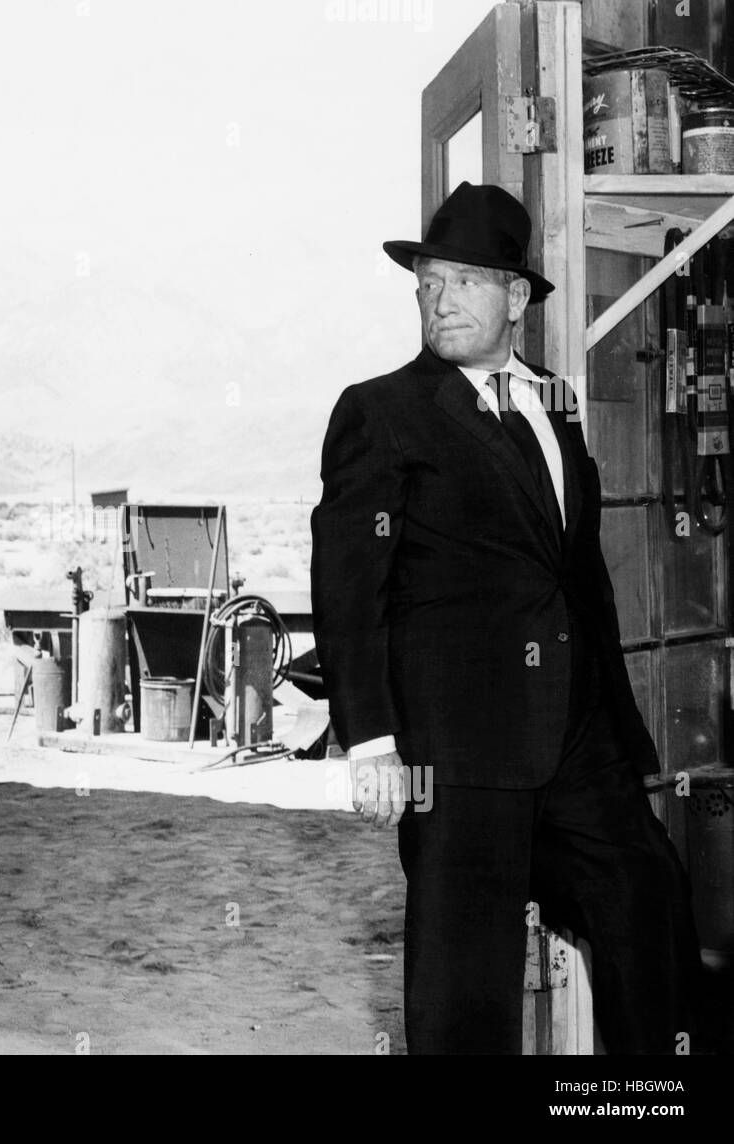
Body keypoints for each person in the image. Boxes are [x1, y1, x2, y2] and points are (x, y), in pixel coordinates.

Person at [310, 183, 703, 1054]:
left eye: (461, 280)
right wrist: (370, 740)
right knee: (466, 985)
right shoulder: (381, 411)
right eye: (426, 282)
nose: (436, 299)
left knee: (646, 903)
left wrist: (613, 730)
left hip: (574, 741)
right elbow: (348, 586)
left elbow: (579, 576)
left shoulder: (556, 405)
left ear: (516, 297)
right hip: (455, 753)